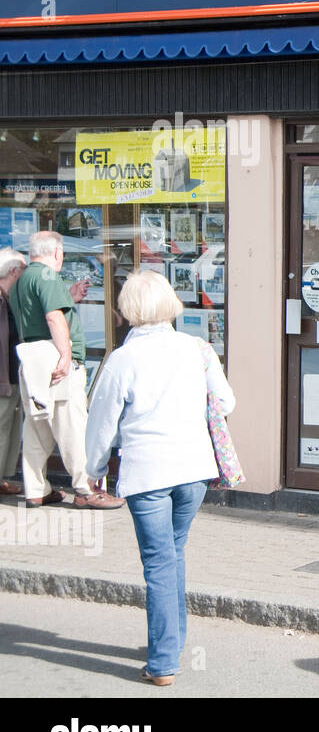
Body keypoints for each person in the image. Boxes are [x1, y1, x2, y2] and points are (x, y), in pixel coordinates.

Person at [85, 270, 235, 686]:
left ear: (127, 309)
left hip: (149, 472)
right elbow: (226, 400)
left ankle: (164, 660)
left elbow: (100, 422)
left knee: (158, 562)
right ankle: (173, 639)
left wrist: (94, 470)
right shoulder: (197, 348)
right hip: (194, 471)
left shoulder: (122, 359)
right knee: (173, 553)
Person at [11, 231, 121, 509]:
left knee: (37, 427)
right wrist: (66, 354)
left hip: (32, 361)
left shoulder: (22, 278)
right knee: (72, 426)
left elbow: (38, 314)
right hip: (55, 362)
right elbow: (53, 317)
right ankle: (86, 489)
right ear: (58, 253)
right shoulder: (48, 277)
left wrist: (68, 297)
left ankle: (35, 490)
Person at [0, 248, 27, 495]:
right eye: (23, 271)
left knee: (9, 427)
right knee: (2, 427)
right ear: (12, 271)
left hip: (12, 373)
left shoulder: (9, 298)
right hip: (3, 376)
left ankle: (2, 478)